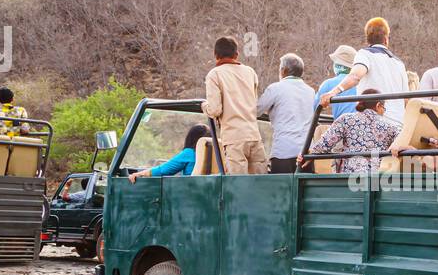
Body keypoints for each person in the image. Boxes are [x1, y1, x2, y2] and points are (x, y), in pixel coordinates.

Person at [321, 17, 408, 126]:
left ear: (367, 39)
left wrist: (333, 92)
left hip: (373, 125)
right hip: (397, 126)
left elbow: (355, 76)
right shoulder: (399, 63)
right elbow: (406, 100)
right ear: (386, 39)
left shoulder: (364, 54)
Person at [203, 36, 267, 175]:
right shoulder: (250, 72)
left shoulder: (214, 75)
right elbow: (254, 104)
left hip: (234, 139)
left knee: (238, 187)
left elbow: (214, 109)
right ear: (236, 54)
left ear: (216, 55)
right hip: (254, 136)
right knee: (262, 186)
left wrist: (204, 106)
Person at [303, 89, 399, 174]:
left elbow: (325, 144)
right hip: (378, 178)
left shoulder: (346, 119)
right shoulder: (390, 127)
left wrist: (310, 156)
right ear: (378, 105)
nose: (384, 111)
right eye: (384, 108)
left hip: (349, 176)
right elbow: (402, 143)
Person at [257, 53, 315, 174]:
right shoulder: (311, 91)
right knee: (304, 192)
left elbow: (256, 111)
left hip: (284, 151)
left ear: (283, 70)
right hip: (306, 152)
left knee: (281, 191)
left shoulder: (275, 88)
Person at [129, 124, 210, 183]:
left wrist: (140, 174)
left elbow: (163, 170)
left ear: (191, 138)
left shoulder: (189, 153)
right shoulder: (215, 155)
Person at [318, 45, 358, 120]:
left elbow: (315, 108)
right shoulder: (363, 82)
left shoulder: (328, 84)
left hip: (341, 129)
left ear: (338, 65)